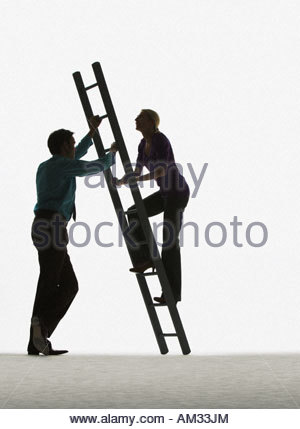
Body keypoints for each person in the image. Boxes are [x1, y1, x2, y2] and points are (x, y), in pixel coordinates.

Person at [28, 115, 118, 356]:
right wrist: (112, 154)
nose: (73, 148)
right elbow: (90, 167)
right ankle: (41, 327)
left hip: (43, 226)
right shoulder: (61, 166)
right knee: (52, 282)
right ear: (61, 147)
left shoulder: (48, 165)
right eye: (70, 144)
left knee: (65, 283)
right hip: (52, 226)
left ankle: (37, 338)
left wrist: (91, 134)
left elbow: (76, 155)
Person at [114, 109, 189, 304]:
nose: (135, 120)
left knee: (169, 240)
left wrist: (137, 178)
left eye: (140, 117)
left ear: (151, 121)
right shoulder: (141, 145)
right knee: (133, 213)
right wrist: (122, 181)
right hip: (164, 194)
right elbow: (137, 171)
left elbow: (161, 171)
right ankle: (146, 258)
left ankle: (172, 293)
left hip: (177, 192)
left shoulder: (160, 139)